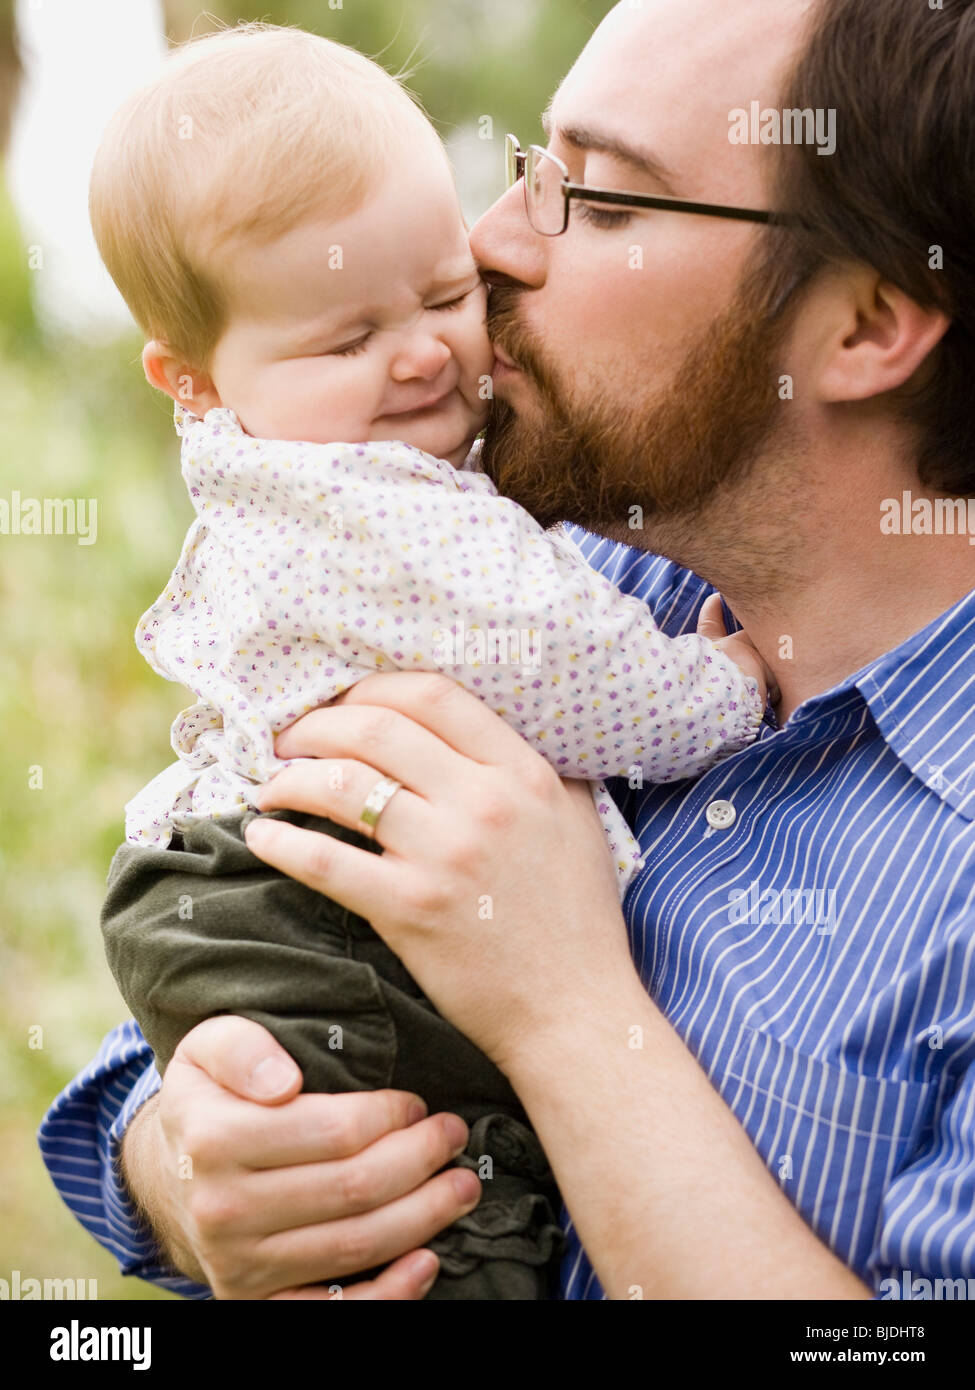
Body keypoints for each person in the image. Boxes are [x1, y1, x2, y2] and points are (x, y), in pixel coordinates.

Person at [40, 0, 975, 1300]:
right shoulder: (591, 564)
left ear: (868, 324)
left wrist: (566, 1011)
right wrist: (194, 1170)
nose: (490, 242)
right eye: (537, 165)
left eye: (602, 200)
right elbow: (195, 992)